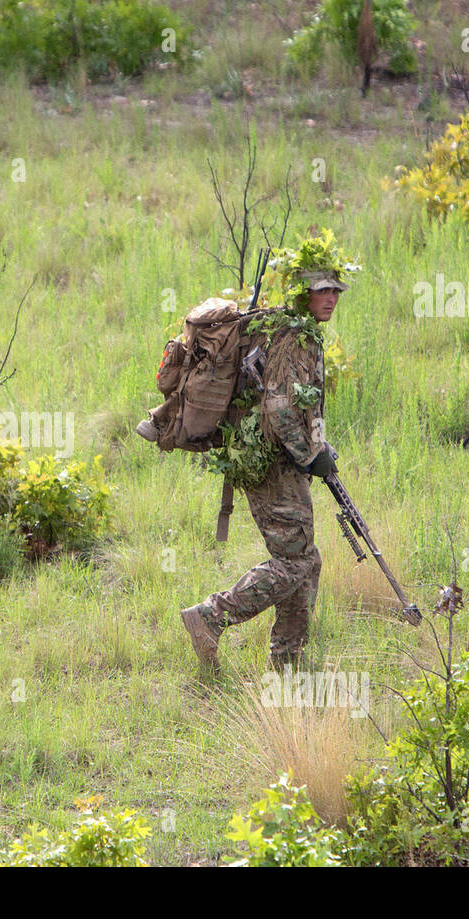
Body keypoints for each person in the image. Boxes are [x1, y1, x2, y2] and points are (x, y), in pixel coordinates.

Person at [179, 254, 351, 673]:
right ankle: (211, 616)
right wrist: (312, 455)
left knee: (304, 558)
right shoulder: (296, 338)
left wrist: (315, 453)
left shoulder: (287, 328)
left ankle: (287, 661)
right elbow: (279, 408)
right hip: (274, 464)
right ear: (302, 294)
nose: (330, 298)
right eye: (321, 290)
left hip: (274, 460)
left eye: (334, 291)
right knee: (296, 561)